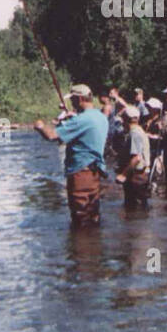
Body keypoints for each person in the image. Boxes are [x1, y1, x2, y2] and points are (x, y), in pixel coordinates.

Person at [33, 84, 109, 227]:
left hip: (80, 174)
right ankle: (94, 247)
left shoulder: (80, 120)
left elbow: (51, 135)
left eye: (73, 99)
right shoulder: (101, 117)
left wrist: (40, 126)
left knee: (80, 218)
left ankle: (80, 248)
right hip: (95, 173)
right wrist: (74, 118)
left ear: (80, 98)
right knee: (93, 215)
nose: (71, 103)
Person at [114, 106, 152, 205]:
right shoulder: (138, 131)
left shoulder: (134, 133)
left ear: (126, 119)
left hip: (136, 177)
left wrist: (123, 175)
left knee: (135, 210)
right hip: (138, 176)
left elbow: (136, 158)